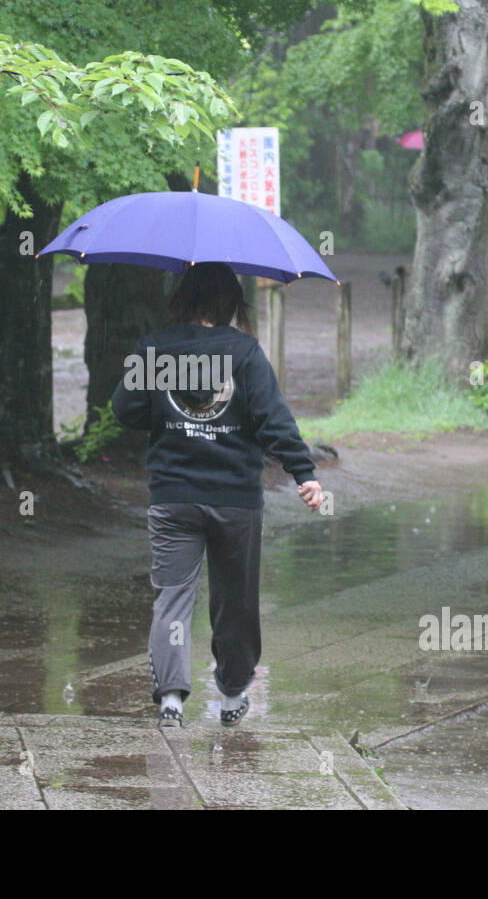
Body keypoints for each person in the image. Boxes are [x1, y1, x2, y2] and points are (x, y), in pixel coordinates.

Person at [111, 262, 324, 728]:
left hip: (173, 496)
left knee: (172, 597)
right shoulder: (244, 352)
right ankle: (230, 697)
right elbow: (273, 419)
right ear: (231, 303)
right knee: (236, 600)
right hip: (235, 499)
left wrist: (164, 413)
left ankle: (170, 699)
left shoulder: (156, 348)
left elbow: (124, 408)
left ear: (183, 298)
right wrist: (302, 472)